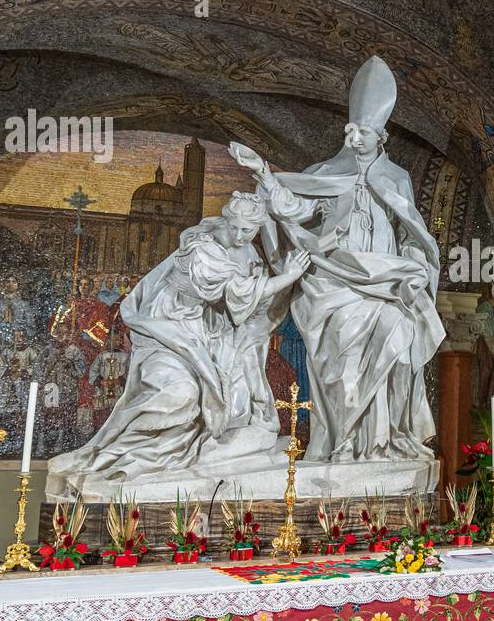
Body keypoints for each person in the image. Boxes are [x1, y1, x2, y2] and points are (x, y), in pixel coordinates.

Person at [234, 56, 444, 462]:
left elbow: (411, 233)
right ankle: (344, 445)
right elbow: (293, 209)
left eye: (363, 131)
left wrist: (415, 267)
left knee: (400, 334)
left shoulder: (397, 178)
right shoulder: (327, 172)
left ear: (380, 136)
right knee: (343, 367)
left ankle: (382, 441)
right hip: (335, 279)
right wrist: (264, 173)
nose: (354, 137)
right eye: (351, 130)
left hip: (383, 281)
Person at [49, 193, 310, 479]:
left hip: (203, 332)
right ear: (226, 219)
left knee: (230, 396)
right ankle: (117, 456)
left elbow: (247, 306)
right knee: (178, 395)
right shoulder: (204, 247)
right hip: (169, 326)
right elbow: (238, 293)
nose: (238, 235)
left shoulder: (249, 253)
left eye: (247, 230)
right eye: (234, 226)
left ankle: (157, 458)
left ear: (259, 227)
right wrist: (289, 276)